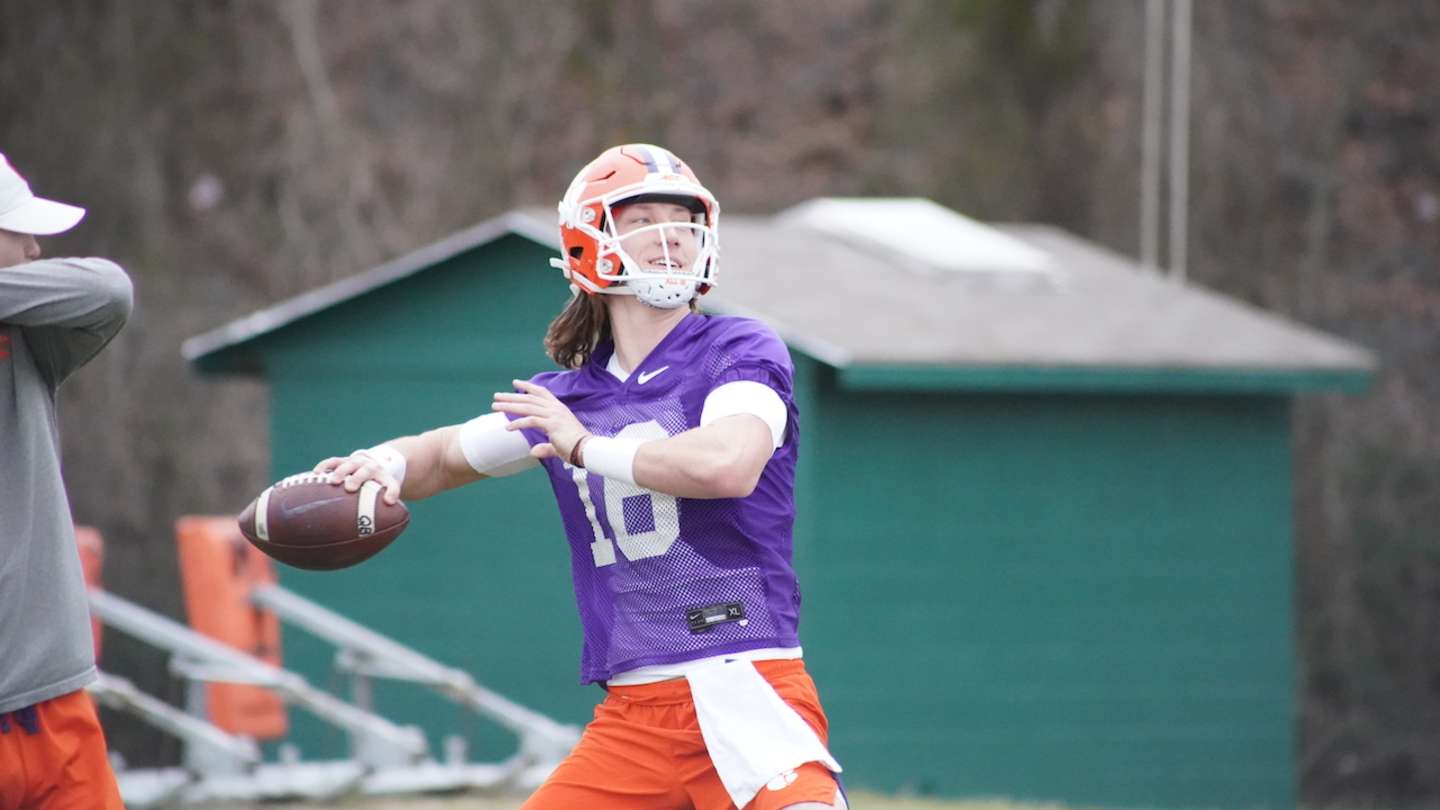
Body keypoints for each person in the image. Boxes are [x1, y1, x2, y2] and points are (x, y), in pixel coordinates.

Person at [317, 144, 845, 810]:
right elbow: (445, 454)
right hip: (634, 719)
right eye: (643, 217)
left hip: (750, 690)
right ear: (589, 242)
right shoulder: (568, 400)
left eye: (682, 220)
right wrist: (383, 463)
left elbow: (727, 464)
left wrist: (583, 447)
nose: (671, 236)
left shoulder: (738, 348)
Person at [0, 152, 132, 809]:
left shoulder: (30, 338)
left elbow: (108, 290)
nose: (34, 246)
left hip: (53, 710)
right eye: (14, 231)